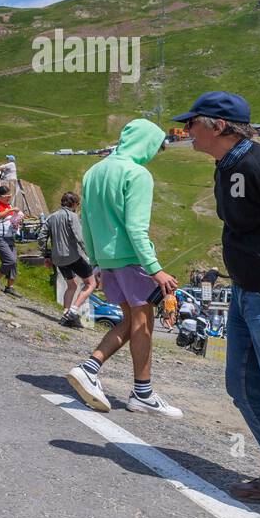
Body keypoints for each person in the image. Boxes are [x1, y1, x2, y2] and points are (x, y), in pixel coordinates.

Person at [173, 92, 260, 504]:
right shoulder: (227, 166)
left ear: (218, 126)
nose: (186, 131)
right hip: (244, 291)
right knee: (241, 386)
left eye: (193, 123)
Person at [65, 119, 182, 417]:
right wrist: (155, 269)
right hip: (133, 259)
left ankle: (90, 368)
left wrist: (96, 262)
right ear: (145, 143)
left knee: (130, 322)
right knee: (143, 324)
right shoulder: (137, 174)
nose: (155, 153)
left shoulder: (94, 171)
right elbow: (136, 228)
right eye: (156, 146)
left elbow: (87, 223)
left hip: (107, 260)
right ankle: (142, 392)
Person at [39, 192, 96, 327]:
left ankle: (66, 314)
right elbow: (80, 237)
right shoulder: (72, 216)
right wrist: (90, 256)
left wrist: (46, 256)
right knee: (91, 283)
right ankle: (73, 311)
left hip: (57, 258)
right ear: (74, 204)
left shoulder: (51, 217)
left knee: (72, 286)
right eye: (77, 204)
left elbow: (41, 237)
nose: (78, 206)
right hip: (73, 257)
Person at [0, 186, 23, 295]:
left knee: (14, 263)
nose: (8, 198)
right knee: (10, 260)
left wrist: (17, 223)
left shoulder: (9, 205)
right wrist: (11, 210)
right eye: (6, 196)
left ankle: (9, 287)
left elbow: (11, 220)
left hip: (9, 236)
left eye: (10, 196)